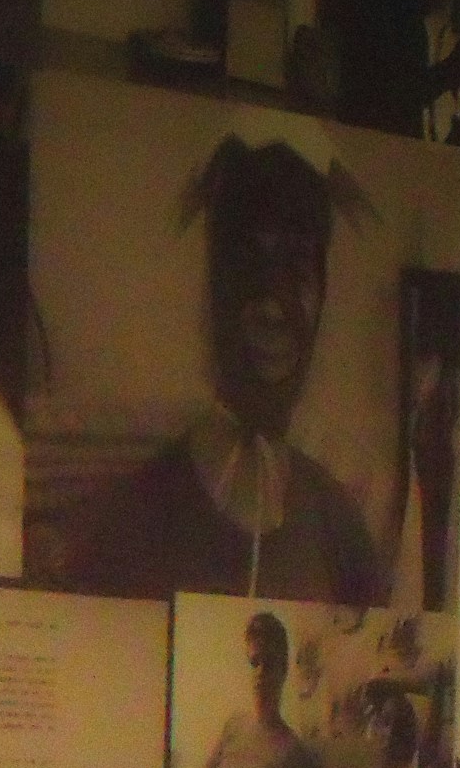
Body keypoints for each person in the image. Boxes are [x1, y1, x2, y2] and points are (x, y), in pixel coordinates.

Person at [71, 136, 387, 605]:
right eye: (246, 267)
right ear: (212, 290)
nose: (272, 310)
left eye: (296, 268)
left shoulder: (342, 531)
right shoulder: (132, 521)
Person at [178, 611, 323, 768]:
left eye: (269, 663)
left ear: (283, 669)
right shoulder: (234, 726)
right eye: (254, 663)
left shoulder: (293, 752)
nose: (260, 673)